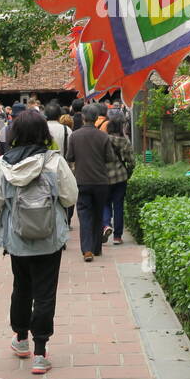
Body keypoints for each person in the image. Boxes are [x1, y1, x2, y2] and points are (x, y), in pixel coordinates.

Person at [0, 109, 77, 375]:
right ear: (44, 133)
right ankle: (40, 353)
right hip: (50, 239)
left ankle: (21, 340)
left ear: (14, 133)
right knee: (45, 292)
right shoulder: (54, 162)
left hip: (16, 241)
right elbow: (71, 197)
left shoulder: (3, 165)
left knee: (22, 287)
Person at [65, 103, 115, 262]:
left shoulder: (74, 136)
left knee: (85, 215)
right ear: (96, 118)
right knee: (98, 214)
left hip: (82, 180)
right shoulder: (103, 136)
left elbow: (70, 157)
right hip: (101, 181)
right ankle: (97, 247)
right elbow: (110, 158)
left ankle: (87, 250)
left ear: (84, 117)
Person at [103, 110, 135, 246]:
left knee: (104, 203)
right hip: (121, 177)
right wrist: (129, 172)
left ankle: (105, 224)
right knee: (118, 206)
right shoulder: (125, 141)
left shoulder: (103, 139)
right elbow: (132, 161)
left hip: (104, 176)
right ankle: (117, 237)